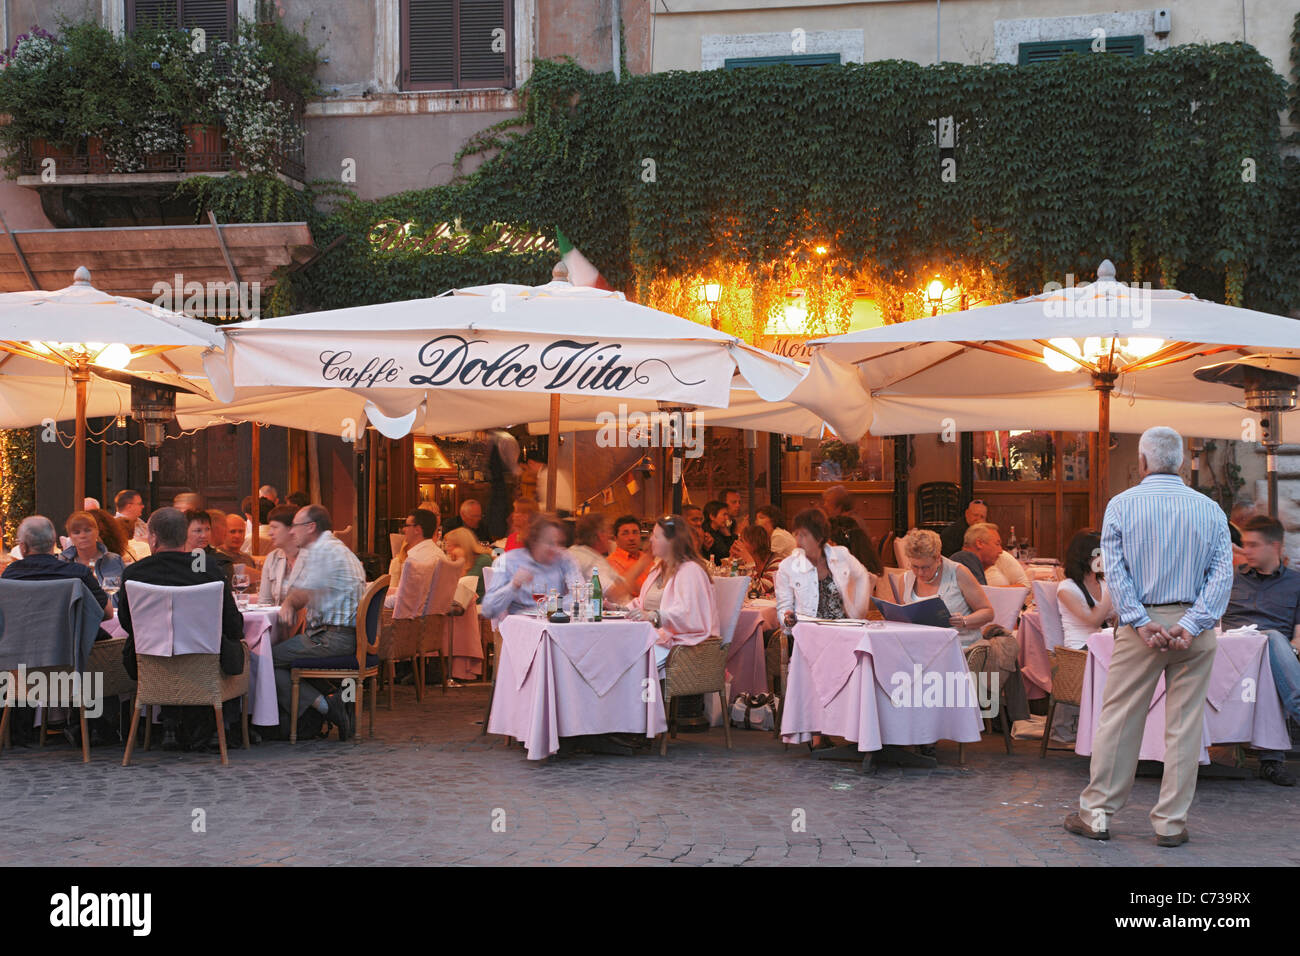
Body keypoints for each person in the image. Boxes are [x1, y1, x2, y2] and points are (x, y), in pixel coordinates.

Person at [1065, 426, 1233, 848]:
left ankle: (1098, 814)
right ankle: (1171, 824)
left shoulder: (1121, 505)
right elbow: (1221, 575)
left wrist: (1140, 622)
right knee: (1185, 726)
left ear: (1141, 462)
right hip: (1193, 626)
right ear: (1180, 463)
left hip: (1143, 627)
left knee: (1121, 719)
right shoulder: (1211, 509)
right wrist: (1192, 624)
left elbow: (1114, 572)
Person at [118, 507, 245, 752]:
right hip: (206, 663)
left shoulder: (135, 572)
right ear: (184, 535)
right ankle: (217, 727)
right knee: (230, 644)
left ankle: (169, 723)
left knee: (165, 645)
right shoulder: (205, 567)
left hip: (150, 662)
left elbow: (127, 623)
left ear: (153, 538)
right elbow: (232, 624)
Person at [273, 505, 366, 741]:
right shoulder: (336, 548)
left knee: (264, 661)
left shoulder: (323, 551)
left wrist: (288, 603)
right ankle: (336, 702)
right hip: (343, 636)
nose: (291, 531)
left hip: (331, 638)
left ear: (311, 527)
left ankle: (328, 708)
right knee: (281, 656)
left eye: (295, 526)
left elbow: (302, 593)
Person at [1220, 515, 1300, 787]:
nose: (1247, 551)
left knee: (1273, 641)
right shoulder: (1230, 578)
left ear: (1274, 547)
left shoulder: (1296, 583)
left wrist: (1283, 651)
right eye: (1244, 544)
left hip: (1273, 657)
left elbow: (1298, 638)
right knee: (1272, 639)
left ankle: (1272, 762)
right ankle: (1272, 758)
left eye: (1253, 545)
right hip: (1230, 657)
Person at [627, 514, 720, 674]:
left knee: (628, 662)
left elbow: (689, 614)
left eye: (656, 536)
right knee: (618, 652)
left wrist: (654, 616)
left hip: (685, 647)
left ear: (671, 542)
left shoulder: (690, 570)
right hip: (658, 639)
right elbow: (642, 603)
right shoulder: (658, 569)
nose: (650, 540)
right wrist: (618, 610)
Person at [4, 515, 112, 633]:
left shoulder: (10, 575)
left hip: (21, 642)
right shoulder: (77, 573)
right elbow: (107, 613)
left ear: (23, 547)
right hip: (71, 642)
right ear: (53, 543)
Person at [776, 508, 875, 630]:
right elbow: (783, 606)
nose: (798, 540)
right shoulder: (787, 566)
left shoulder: (841, 555)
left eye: (804, 535)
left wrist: (858, 612)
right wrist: (787, 620)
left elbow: (862, 576)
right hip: (809, 632)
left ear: (819, 537)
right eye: (796, 534)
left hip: (844, 629)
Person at [899, 527, 993, 646]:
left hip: (960, 647)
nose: (920, 573)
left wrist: (964, 620)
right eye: (915, 566)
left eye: (926, 567)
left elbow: (988, 612)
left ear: (938, 559)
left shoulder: (958, 573)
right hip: (921, 647)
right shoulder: (905, 579)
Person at [481, 513, 579, 618]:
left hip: (555, 623)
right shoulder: (508, 561)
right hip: (522, 625)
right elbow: (488, 610)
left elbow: (580, 596)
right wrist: (514, 585)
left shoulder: (564, 558)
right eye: (549, 543)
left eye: (559, 543)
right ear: (534, 542)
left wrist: (549, 607)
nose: (555, 548)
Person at [568, 512, 642, 604]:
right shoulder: (588, 560)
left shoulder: (588, 554)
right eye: (608, 532)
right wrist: (645, 560)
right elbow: (615, 594)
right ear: (600, 536)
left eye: (635, 532)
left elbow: (625, 585)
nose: (610, 537)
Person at [1057, 529, 1113, 650]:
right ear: (1084, 556)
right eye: (1099, 553)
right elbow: (1094, 621)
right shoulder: (1066, 588)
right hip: (1081, 648)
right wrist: (1113, 588)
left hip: (1105, 643)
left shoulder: (1103, 584)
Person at [385, 508, 448, 613]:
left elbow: (402, 600)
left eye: (407, 525)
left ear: (417, 529)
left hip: (410, 619)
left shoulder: (414, 560)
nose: (404, 529)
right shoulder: (440, 554)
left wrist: (378, 601)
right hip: (433, 617)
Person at [60, 511, 126, 597]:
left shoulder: (114, 560)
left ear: (97, 532)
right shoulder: (63, 563)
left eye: (87, 530)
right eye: (77, 532)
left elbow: (126, 594)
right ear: (70, 537)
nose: (82, 536)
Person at [258, 506, 304, 607]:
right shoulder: (272, 558)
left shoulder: (313, 557)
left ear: (292, 528)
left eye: (274, 527)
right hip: (278, 616)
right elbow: (264, 602)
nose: (270, 533)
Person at [963, 522, 1029, 588]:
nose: (1000, 550)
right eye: (997, 544)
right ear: (979, 543)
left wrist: (993, 590)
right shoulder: (960, 564)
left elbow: (1026, 585)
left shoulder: (1001, 557)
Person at [443, 526, 493, 606]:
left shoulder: (483, 559)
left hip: (480, 606)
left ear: (461, 546)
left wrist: (460, 558)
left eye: (449, 545)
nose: (446, 548)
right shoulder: (458, 560)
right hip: (465, 605)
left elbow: (462, 587)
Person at [184, 509, 232, 584]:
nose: (204, 535)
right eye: (198, 530)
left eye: (207, 529)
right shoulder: (174, 558)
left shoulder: (220, 560)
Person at [608, 515, 652, 594]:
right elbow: (628, 590)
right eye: (625, 534)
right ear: (615, 539)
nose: (631, 538)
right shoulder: (611, 563)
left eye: (635, 532)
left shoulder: (648, 558)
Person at [735, 523, 779, 598]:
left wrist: (749, 562)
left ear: (754, 544)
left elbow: (757, 590)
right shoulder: (743, 561)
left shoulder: (776, 563)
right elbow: (735, 585)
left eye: (742, 541)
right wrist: (732, 558)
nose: (738, 543)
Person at [701, 500, 735, 564]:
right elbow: (725, 555)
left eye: (727, 515)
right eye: (724, 515)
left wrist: (727, 534)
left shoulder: (720, 530)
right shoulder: (706, 532)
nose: (727, 518)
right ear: (712, 516)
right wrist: (727, 534)